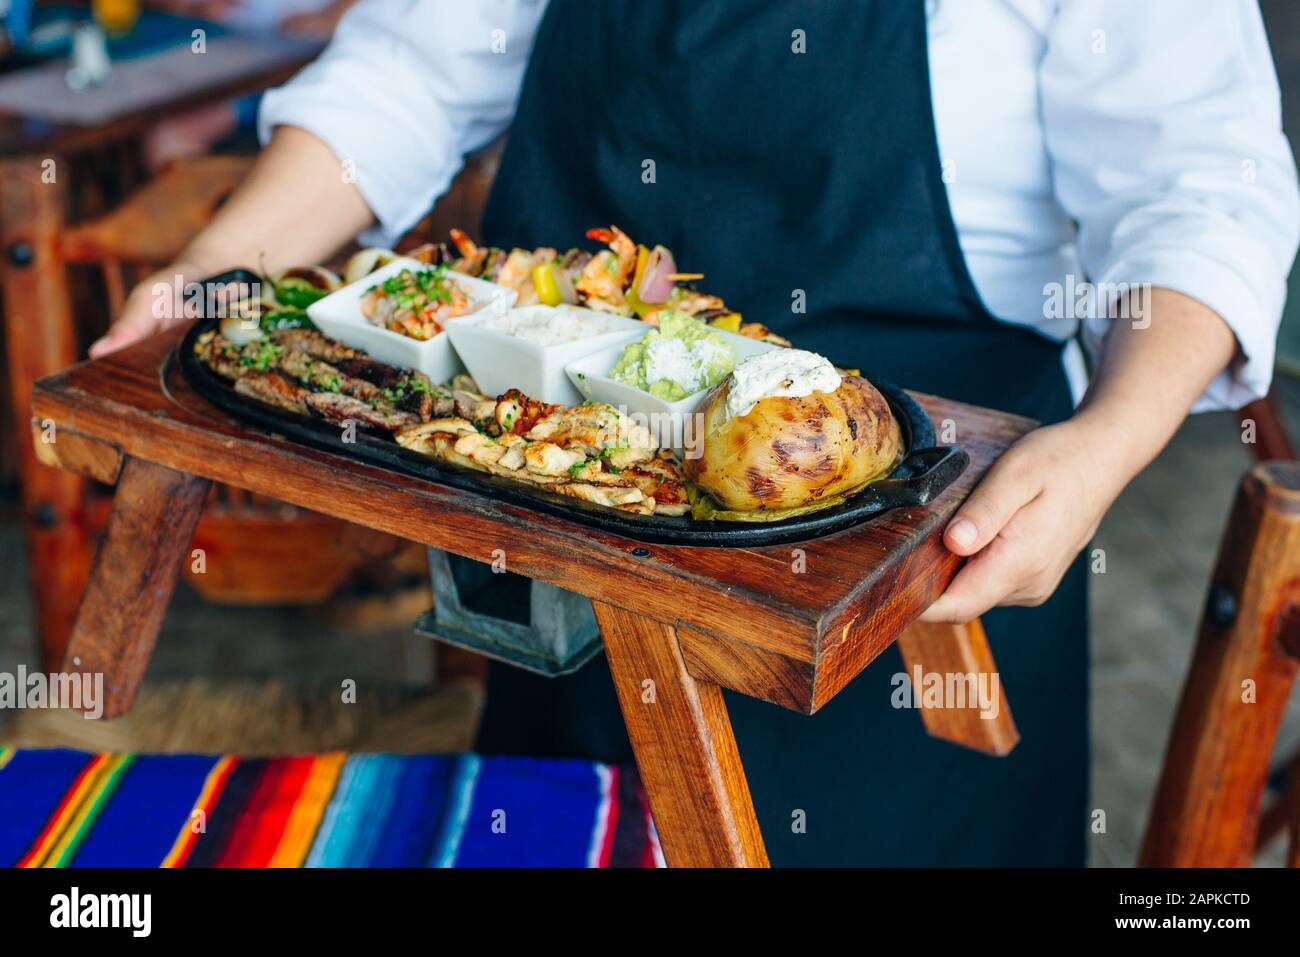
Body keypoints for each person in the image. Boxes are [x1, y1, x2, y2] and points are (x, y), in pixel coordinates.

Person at [90, 0, 1300, 866]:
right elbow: (409, 67)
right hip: (570, 509)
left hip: (924, 537)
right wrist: (212, 274)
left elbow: (1198, 186)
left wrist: (1108, 439)